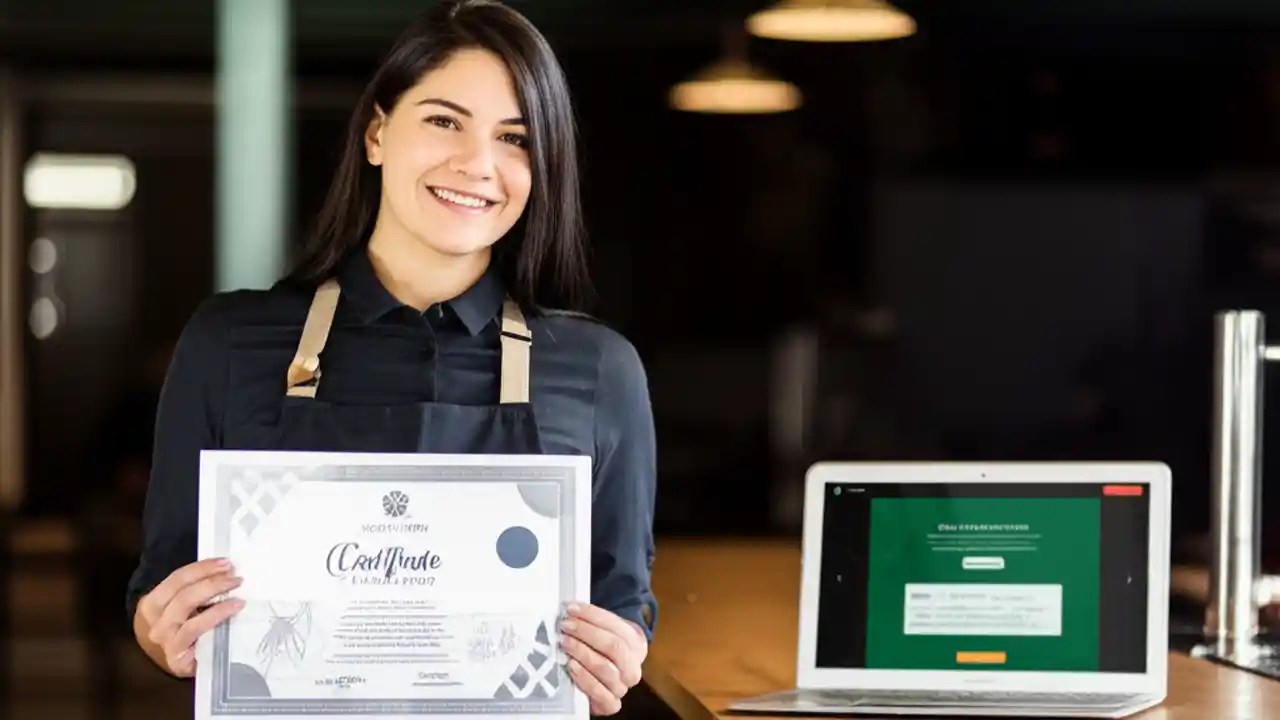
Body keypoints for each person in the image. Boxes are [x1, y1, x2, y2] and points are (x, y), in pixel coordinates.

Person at [124, 1, 657, 715]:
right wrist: (161, 631)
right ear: (377, 132)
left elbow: (624, 606)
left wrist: (616, 658)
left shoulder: (599, 370)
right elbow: (163, 583)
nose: (477, 164)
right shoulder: (227, 342)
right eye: (444, 120)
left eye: (515, 138)